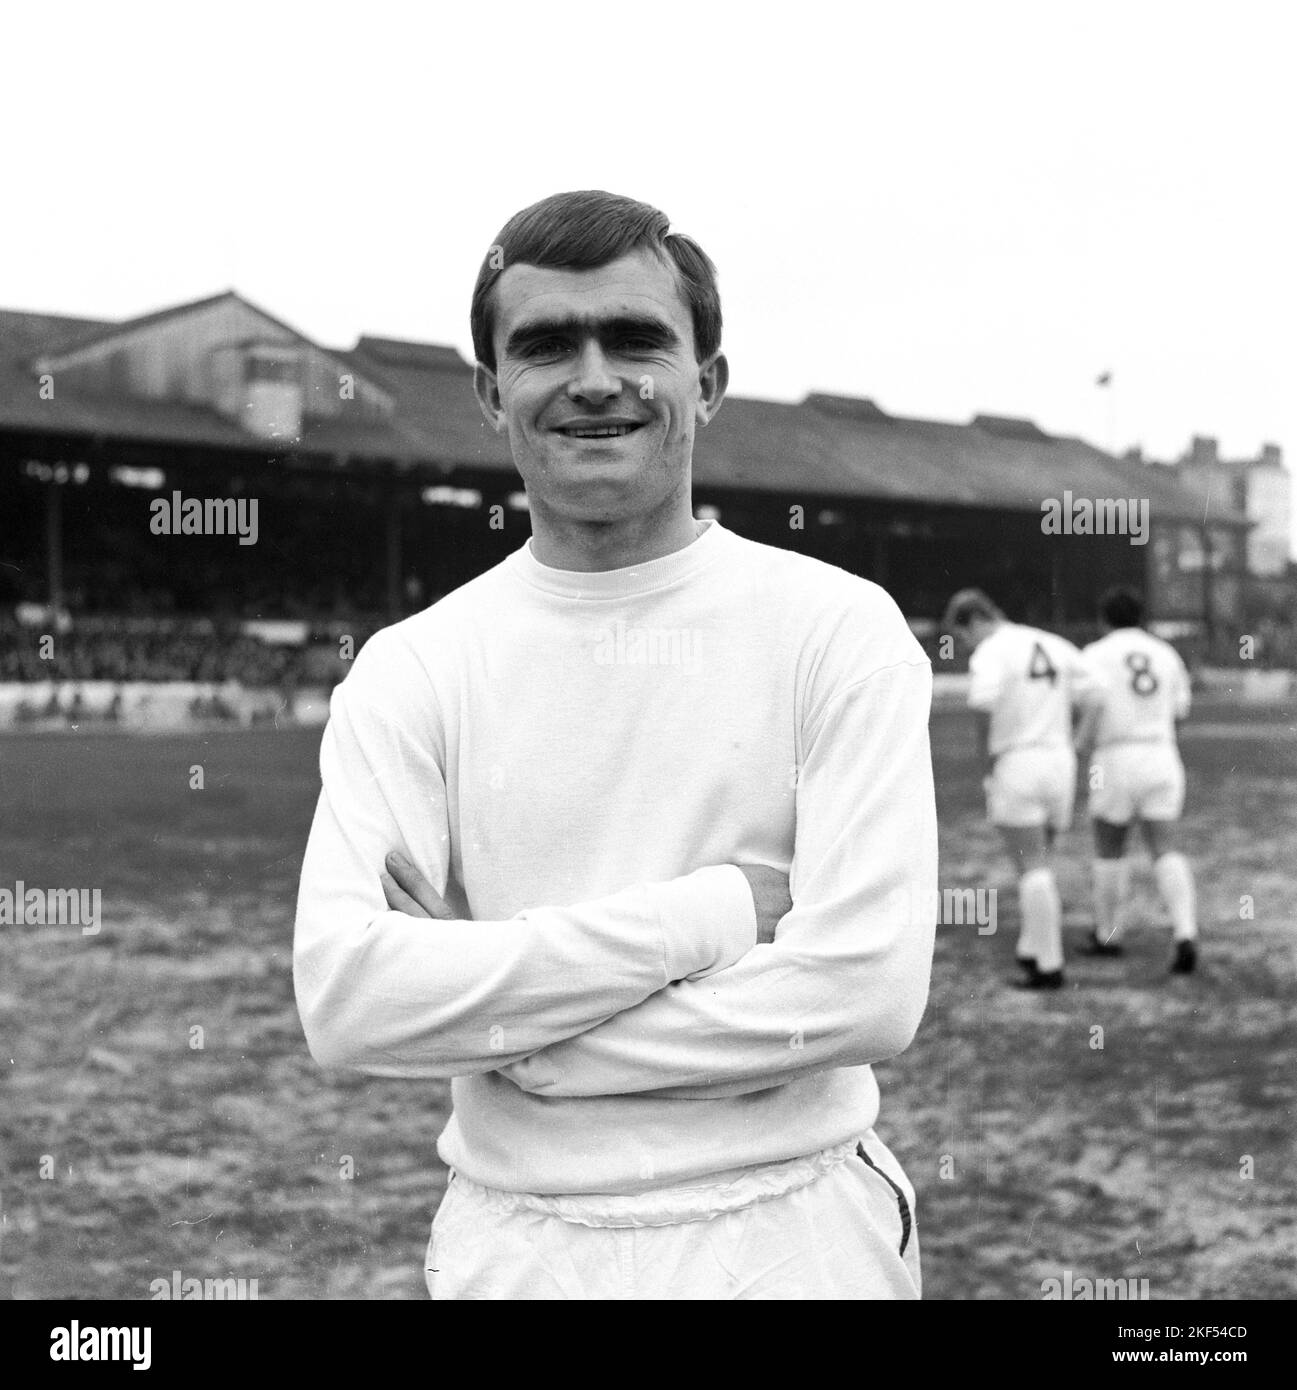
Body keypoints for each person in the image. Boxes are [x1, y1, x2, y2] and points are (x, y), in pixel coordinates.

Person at [293, 190, 938, 1300]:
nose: (595, 378)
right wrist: (712, 914)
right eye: (546, 347)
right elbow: (351, 998)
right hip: (524, 1240)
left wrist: (505, 1027)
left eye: (636, 339)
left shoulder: (837, 628)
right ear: (496, 396)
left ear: (708, 382)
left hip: (791, 1230)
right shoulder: (414, 666)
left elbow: (864, 994)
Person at [942, 589, 1094, 989]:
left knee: (1032, 867)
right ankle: (1032, 947)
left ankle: (1049, 965)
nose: (966, 645)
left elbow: (982, 709)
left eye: (963, 636)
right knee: (1041, 860)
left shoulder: (991, 651)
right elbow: (1096, 692)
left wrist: (988, 766)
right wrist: (1076, 740)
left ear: (972, 621)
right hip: (1061, 762)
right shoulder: (1051, 642)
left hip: (1019, 762)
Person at [1075, 586, 1198, 973]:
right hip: (1161, 753)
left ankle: (1108, 935)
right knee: (1165, 846)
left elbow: (1084, 707)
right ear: (1142, 617)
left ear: (1103, 618)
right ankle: (1185, 932)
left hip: (1114, 756)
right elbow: (1180, 713)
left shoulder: (1094, 654)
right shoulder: (1166, 653)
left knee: (1109, 847)